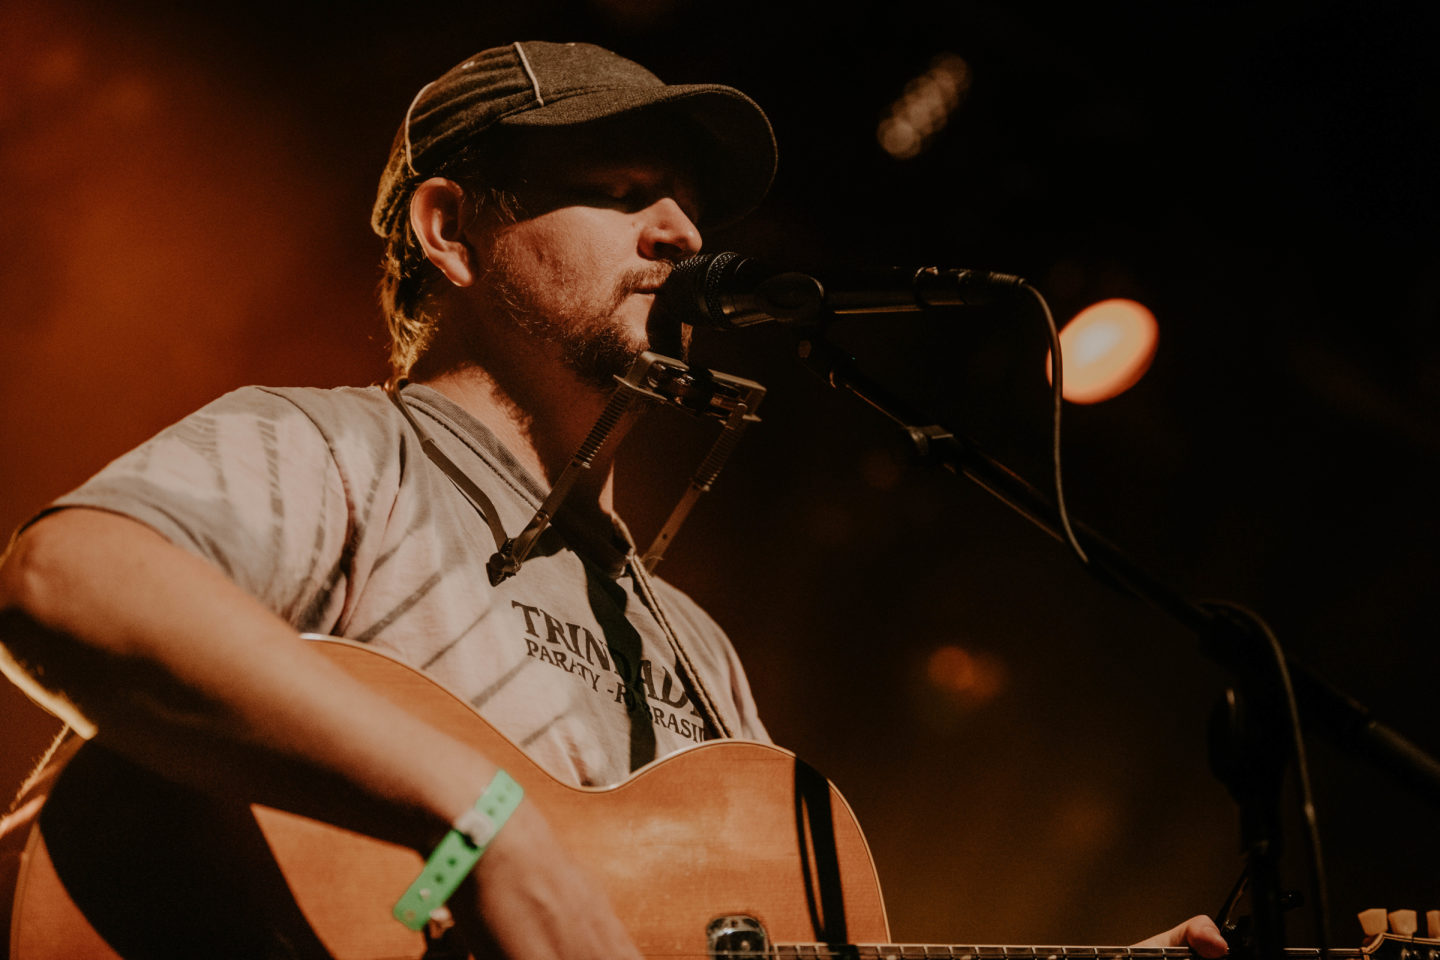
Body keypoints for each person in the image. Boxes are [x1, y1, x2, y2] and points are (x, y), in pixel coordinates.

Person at [0, 40, 1227, 959]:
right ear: (451, 229)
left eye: (685, 200)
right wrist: (484, 828)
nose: (683, 230)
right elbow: (65, 580)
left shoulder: (692, 649)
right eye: (621, 186)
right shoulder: (334, 450)